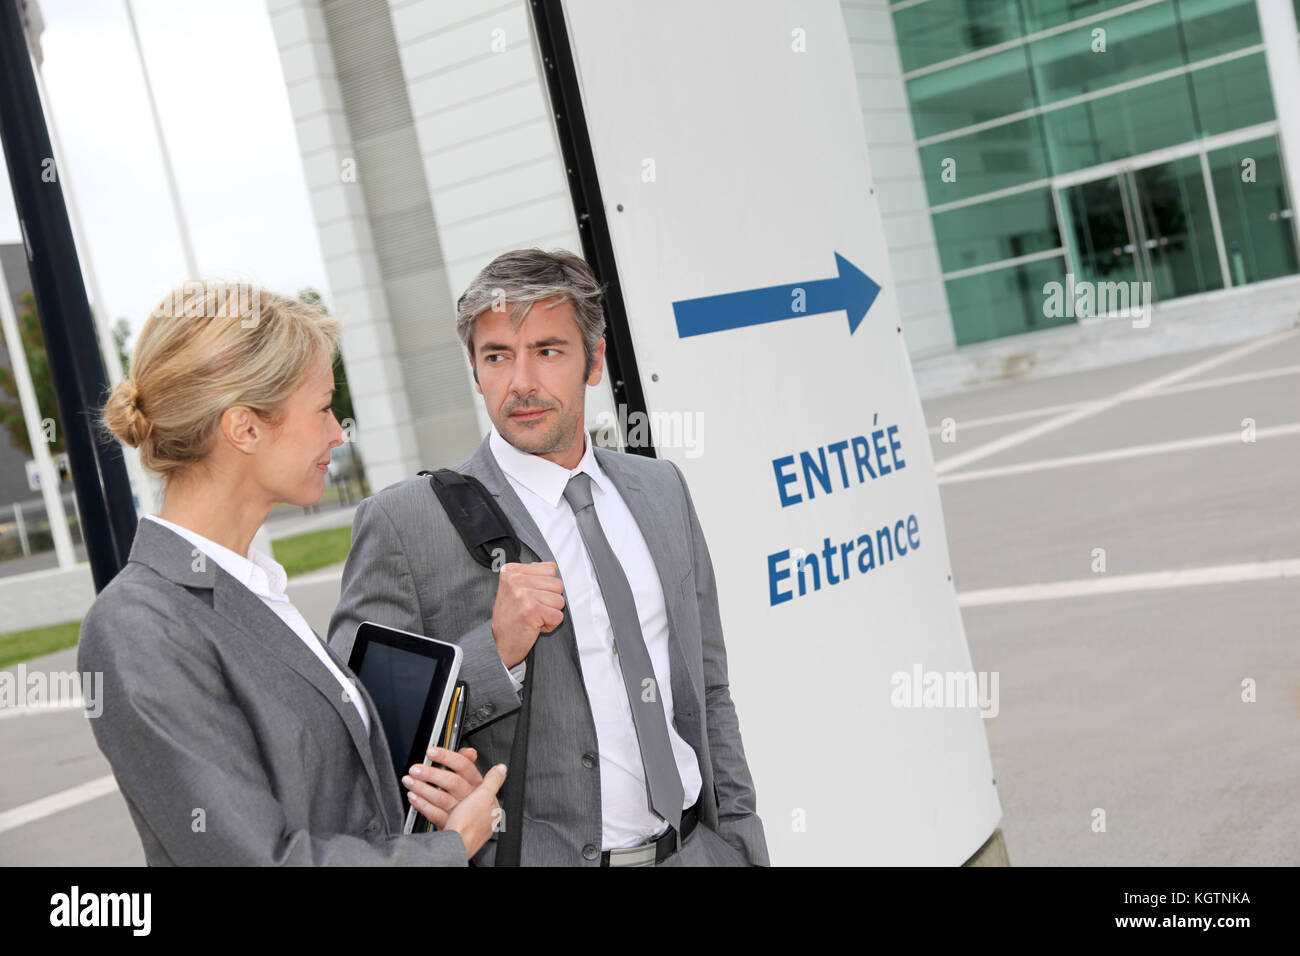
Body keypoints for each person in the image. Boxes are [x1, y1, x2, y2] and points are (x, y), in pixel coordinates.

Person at [330, 249, 769, 866]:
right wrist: (493, 650)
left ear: (594, 361)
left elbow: (709, 687)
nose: (521, 383)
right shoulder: (406, 523)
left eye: (547, 351)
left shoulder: (661, 489)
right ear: (476, 371)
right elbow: (362, 734)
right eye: (497, 356)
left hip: (696, 849)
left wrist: (740, 843)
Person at [81, 280, 505, 865]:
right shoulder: (140, 625)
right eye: (325, 407)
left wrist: (426, 808)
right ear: (244, 428)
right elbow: (256, 858)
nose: (338, 432)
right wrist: (447, 849)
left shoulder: (251, 587)